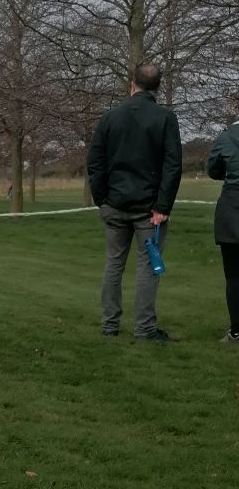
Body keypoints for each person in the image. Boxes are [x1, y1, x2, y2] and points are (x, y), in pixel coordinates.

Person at [87, 61, 182, 342]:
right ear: (157, 87)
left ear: (132, 84)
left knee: (114, 264)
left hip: (115, 203)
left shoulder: (110, 118)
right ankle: (145, 328)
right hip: (149, 208)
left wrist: (101, 198)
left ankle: (110, 324)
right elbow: (172, 165)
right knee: (147, 267)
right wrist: (162, 207)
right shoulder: (165, 118)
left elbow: (95, 162)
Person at [207, 98, 239, 342]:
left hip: (232, 208)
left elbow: (214, 170)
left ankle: (237, 331)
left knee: (234, 275)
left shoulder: (226, 137)